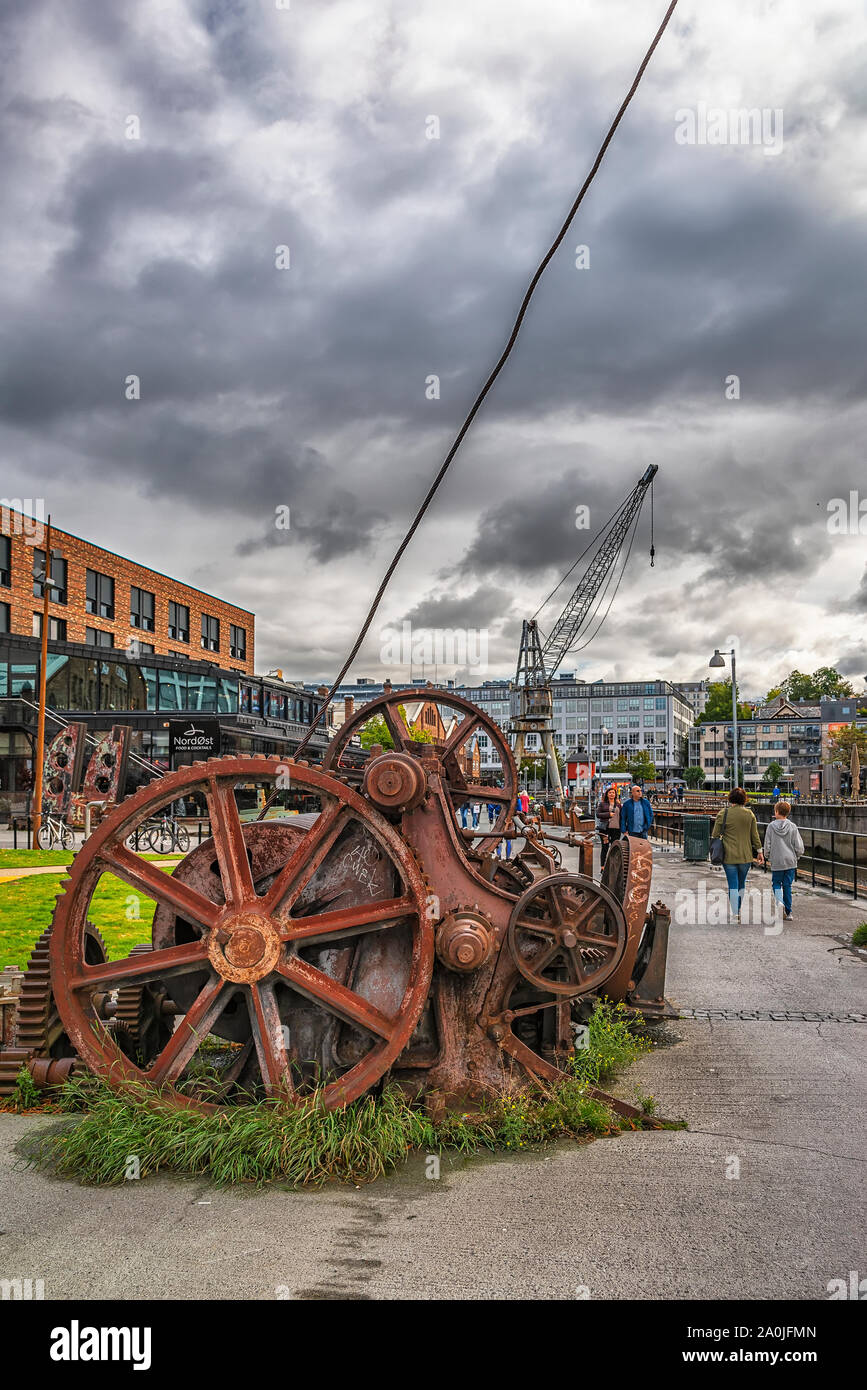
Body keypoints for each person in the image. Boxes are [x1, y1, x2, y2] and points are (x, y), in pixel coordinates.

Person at [712, 787, 763, 920]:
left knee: (732, 884)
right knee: (741, 884)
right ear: (744, 799)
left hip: (728, 856)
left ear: (730, 798)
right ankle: (738, 909)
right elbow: (754, 836)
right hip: (745, 856)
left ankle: (735, 912)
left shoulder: (723, 813)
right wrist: (759, 851)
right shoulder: (749, 814)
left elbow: (715, 834)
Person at [763, 800, 804, 922]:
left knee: (776, 883)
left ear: (776, 812)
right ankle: (789, 911)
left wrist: (767, 855)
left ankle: (779, 901)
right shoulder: (793, 826)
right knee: (787, 885)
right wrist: (797, 855)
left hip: (777, 860)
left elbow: (767, 844)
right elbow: (799, 846)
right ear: (788, 813)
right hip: (790, 861)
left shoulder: (771, 826)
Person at [595, 785, 621, 866]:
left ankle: (612, 865)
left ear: (615, 794)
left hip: (616, 829)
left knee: (614, 848)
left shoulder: (619, 805)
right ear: (607, 794)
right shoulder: (602, 804)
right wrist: (608, 814)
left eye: (613, 793)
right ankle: (602, 866)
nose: (612, 794)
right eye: (610, 793)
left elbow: (622, 816)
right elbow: (598, 814)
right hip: (604, 829)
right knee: (605, 847)